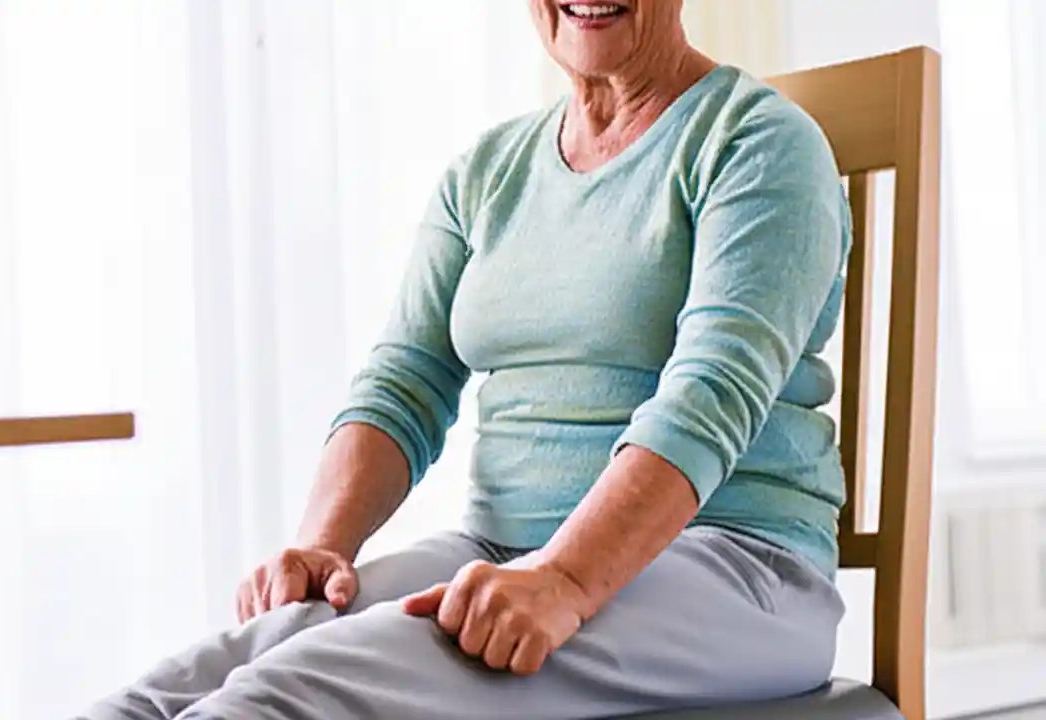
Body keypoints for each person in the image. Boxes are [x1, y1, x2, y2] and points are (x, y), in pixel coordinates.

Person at [82, 0, 849, 717]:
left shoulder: (759, 143)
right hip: (503, 555)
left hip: (736, 567)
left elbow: (709, 396)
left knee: (277, 699)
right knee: (164, 696)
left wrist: (564, 579)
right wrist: (321, 547)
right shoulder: (487, 172)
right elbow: (404, 382)